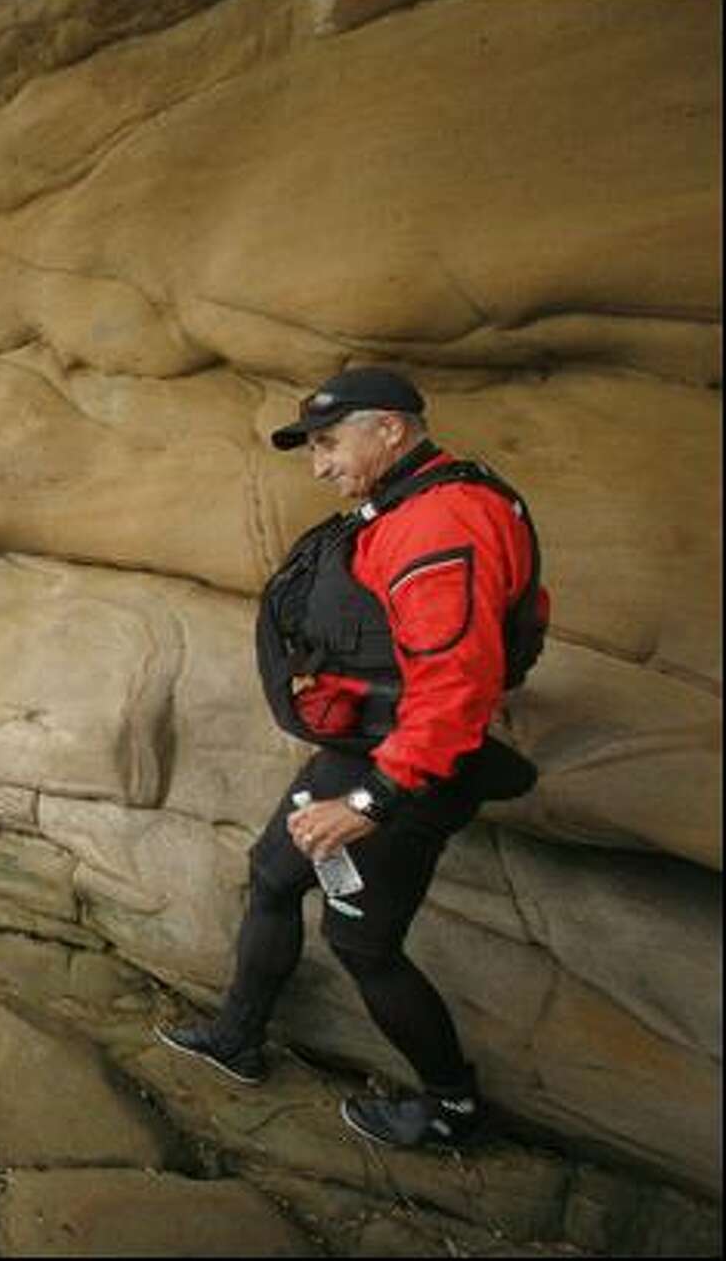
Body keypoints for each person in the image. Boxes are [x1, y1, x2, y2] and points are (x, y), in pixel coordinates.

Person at [156, 366, 548, 1149]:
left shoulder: (442, 524)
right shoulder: (409, 503)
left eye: (330, 443)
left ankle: (451, 1105)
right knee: (272, 874)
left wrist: (368, 804)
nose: (321, 464)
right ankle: (239, 1037)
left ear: (392, 430)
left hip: (412, 767)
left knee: (362, 943)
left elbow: (454, 689)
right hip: (370, 746)